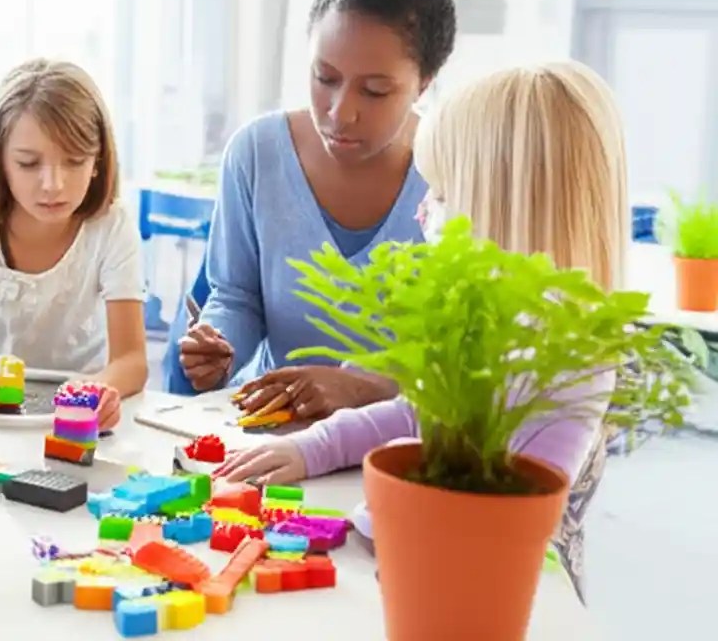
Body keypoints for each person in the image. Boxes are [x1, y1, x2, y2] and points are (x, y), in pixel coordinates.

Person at [216, 60, 630, 599]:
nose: (419, 213)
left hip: (503, 599)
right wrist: (311, 448)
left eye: (440, 194)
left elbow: (506, 505)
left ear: (502, 209)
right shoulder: (487, 317)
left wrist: (380, 512)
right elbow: (418, 413)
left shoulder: (569, 353)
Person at [175, 0, 457, 422]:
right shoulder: (256, 154)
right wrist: (218, 344)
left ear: (424, 84)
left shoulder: (453, 173)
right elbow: (237, 297)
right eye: (325, 78)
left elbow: (463, 361)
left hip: (397, 452)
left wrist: (363, 388)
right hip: (269, 436)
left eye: (374, 91)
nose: (340, 111)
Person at [0, 59, 147, 431]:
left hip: (79, 417)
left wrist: (99, 388)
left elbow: (132, 360)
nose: (53, 184)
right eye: (29, 164)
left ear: (98, 162)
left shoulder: (111, 225)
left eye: (75, 162)